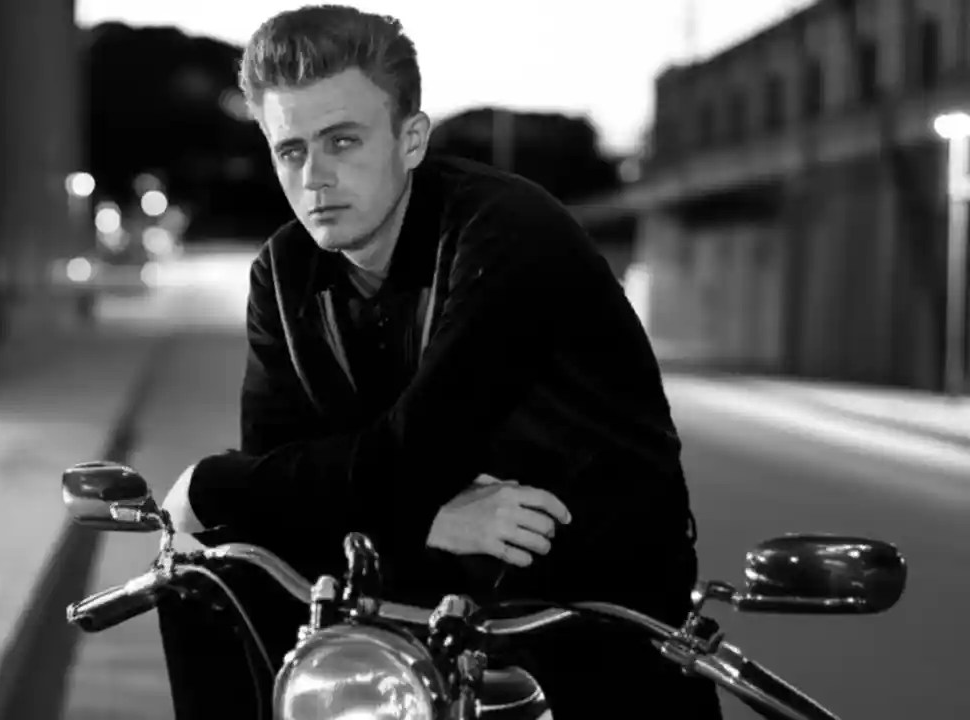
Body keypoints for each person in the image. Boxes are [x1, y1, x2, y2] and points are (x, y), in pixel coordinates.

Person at [155, 4, 723, 719]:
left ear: (411, 139)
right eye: (291, 150)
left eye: (343, 141)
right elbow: (283, 471)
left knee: (228, 510)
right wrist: (424, 518)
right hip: (407, 604)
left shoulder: (506, 233)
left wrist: (212, 483)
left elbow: (403, 458)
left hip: (590, 607)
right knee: (213, 572)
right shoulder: (285, 269)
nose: (315, 177)